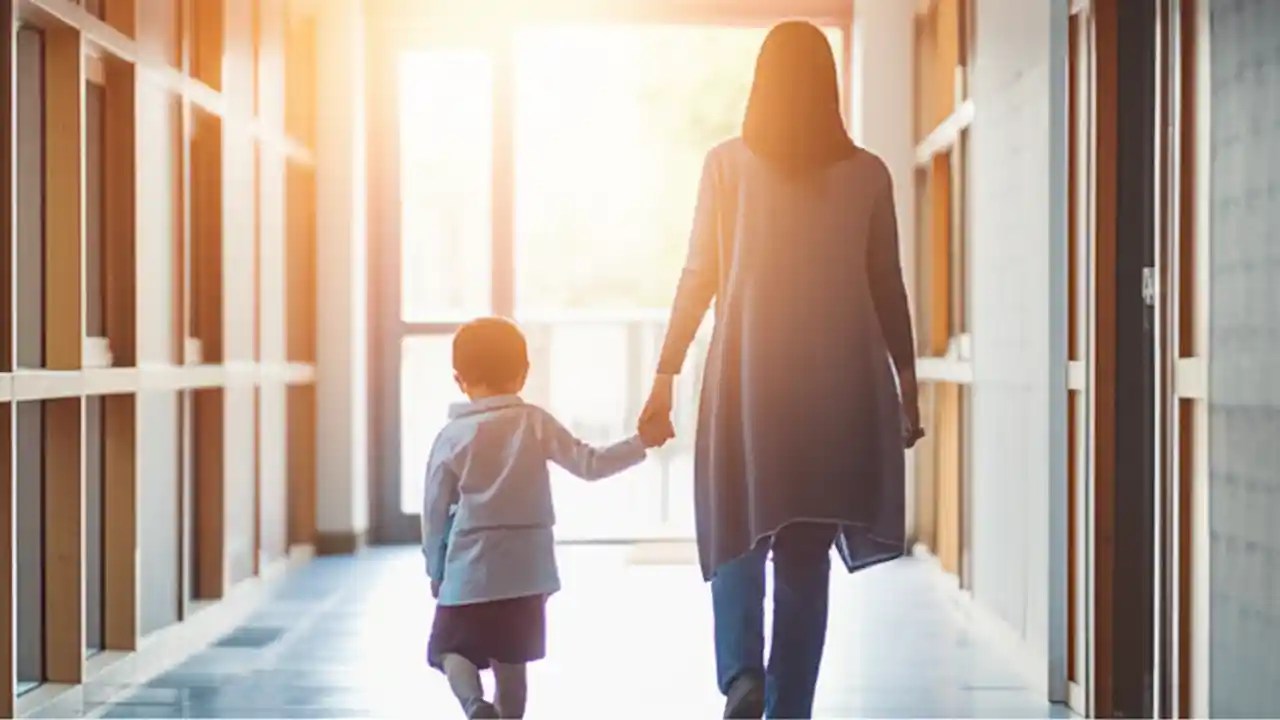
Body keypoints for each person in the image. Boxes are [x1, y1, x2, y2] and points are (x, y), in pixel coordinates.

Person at [638, 20, 925, 719]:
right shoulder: (867, 174)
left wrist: (664, 376)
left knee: (737, 528)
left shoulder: (726, 166)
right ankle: (788, 706)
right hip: (838, 390)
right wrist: (906, 391)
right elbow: (888, 287)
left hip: (746, 381)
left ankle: (741, 674)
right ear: (828, 86)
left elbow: (698, 275)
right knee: (804, 554)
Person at [423, 317, 670, 719]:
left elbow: (435, 512)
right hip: (527, 571)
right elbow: (590, 464)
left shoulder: (451, 437)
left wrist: (435, 567)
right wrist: (641, 441)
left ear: (459, 379)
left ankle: (473, 705)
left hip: (470, 566)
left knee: (448, 649)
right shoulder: (534, 422)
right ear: (523, 373)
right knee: (512, 664)